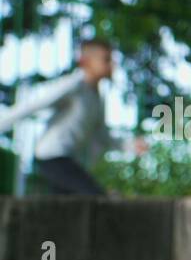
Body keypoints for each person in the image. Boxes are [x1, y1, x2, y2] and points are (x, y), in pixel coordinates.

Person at [0, 37, 146, 194]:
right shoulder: (74, 84)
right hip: (51, 157)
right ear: (86, 61)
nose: (112, 65)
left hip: (68, 158)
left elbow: (102, 134)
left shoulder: (97, 97)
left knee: (68, 207)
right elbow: (34, 104)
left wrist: (129, 145)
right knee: (95, 196)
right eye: (106, 59)